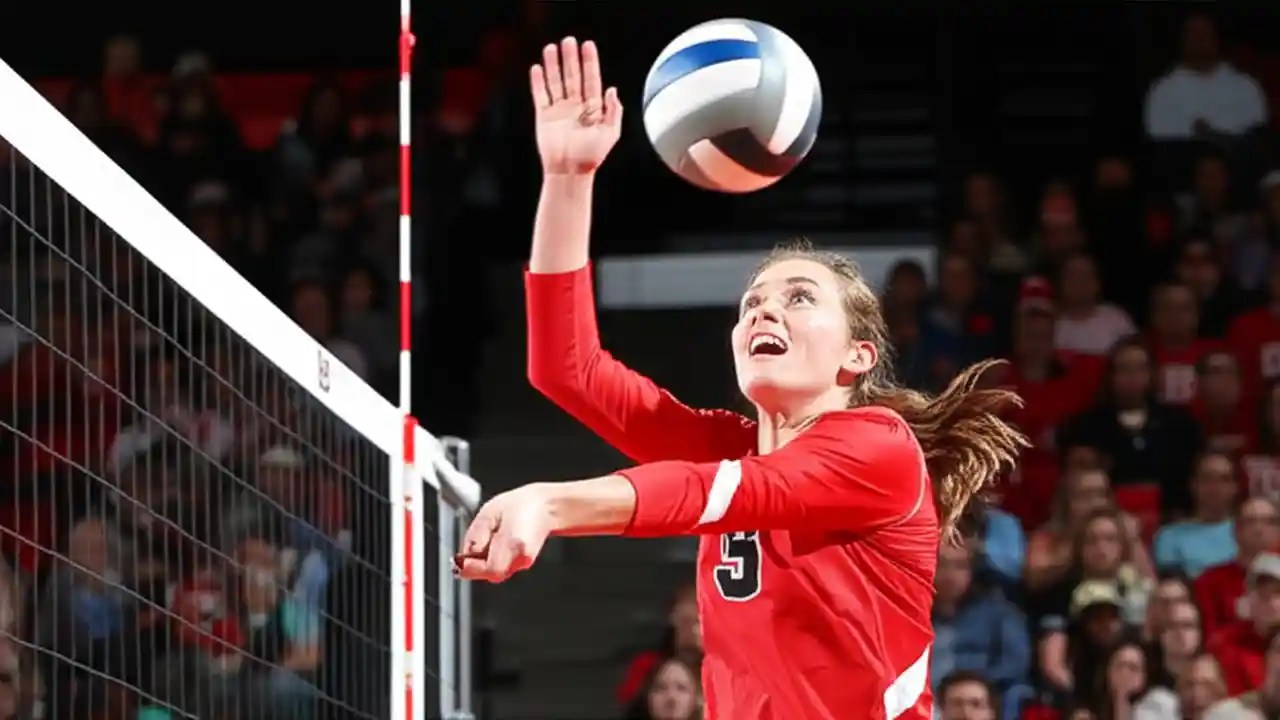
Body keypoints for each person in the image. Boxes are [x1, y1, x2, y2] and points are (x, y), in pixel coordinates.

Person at [454, 37, 1025, 720]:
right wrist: (570, 179)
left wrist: (552, 504)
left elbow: (725, 491)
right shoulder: (728, 450)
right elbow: (565, 369)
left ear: (859, 356)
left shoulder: (878, 446)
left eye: (799, 298)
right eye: (752, 301)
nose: (764, 309)